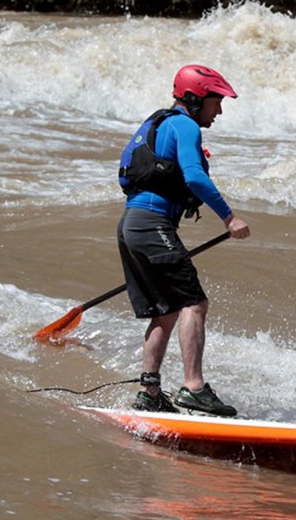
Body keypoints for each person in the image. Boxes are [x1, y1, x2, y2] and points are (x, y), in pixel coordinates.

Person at [117, 64, 250, 416]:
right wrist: (229, 216)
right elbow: (194, 179)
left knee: (166, 310)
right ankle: (194, 387)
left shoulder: (161, 123)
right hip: (151, 224)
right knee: (194, 304)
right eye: (215, 102)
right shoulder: (185, 124)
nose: (219, 111)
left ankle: (149, 391)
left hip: (131, 224)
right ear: (195, 98)